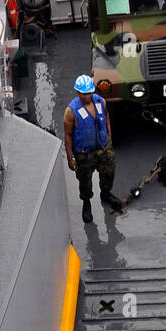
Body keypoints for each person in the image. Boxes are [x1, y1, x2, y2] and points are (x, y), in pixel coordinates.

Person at [63, 75, 122, 221]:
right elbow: (68, 135)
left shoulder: (100, 101)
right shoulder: (71, 111)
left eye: (89, 92)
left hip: (103, 148)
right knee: (85, 181)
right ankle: (86, 202)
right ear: (78, 92)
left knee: (109, 172)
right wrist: (70, 158)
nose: (87, 96)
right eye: (83, 93)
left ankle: (106, 193)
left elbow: (106, 116)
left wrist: (109, 135)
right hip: (84, 154)